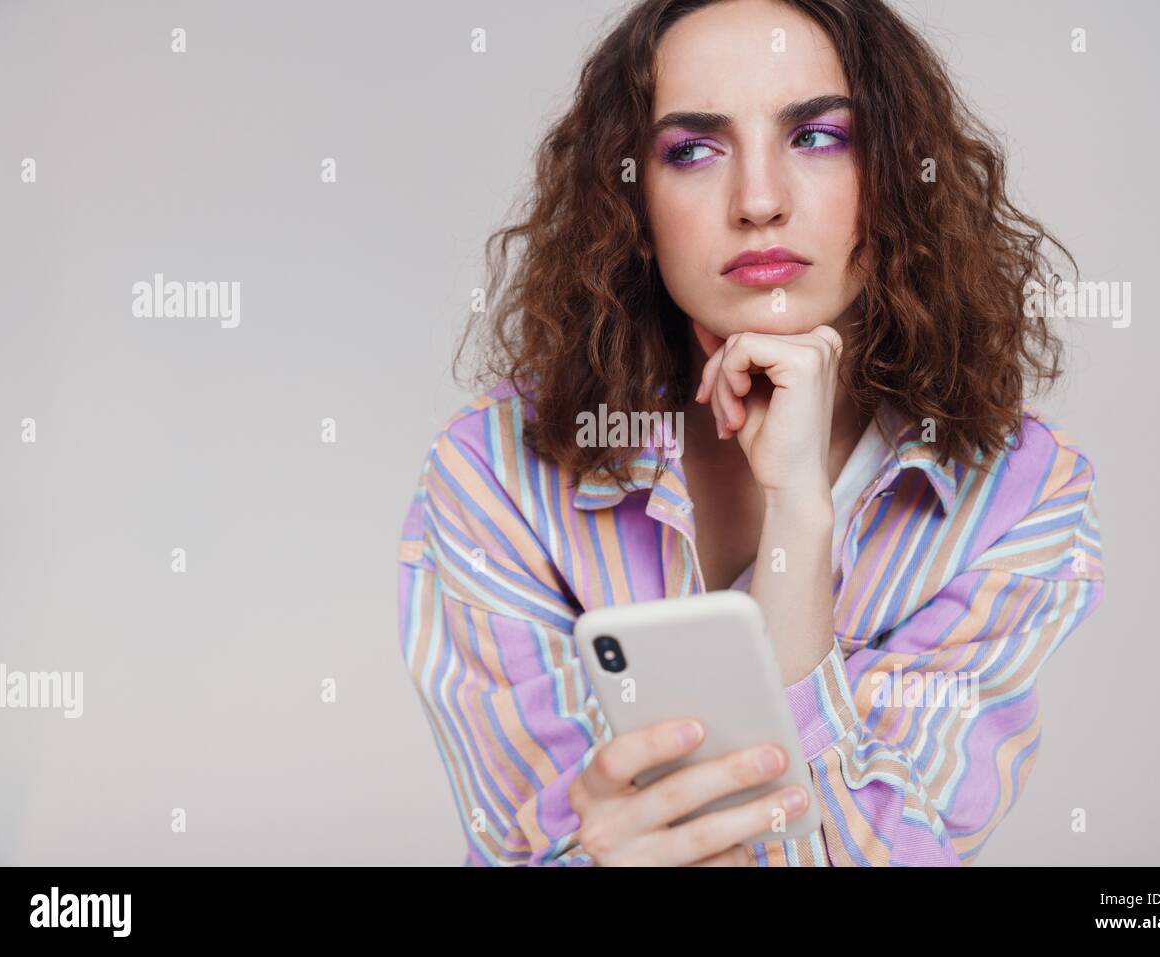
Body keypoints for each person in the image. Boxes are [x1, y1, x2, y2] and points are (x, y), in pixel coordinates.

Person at [397, 0, 1104, 866]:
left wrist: (798, 516)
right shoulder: (498, 475)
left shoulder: (1021, 498)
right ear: (633, 210)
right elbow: (533, 846)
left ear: (891, 179)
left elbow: (888, 854)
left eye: (817, 137)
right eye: (693, 151)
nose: (759, 201)